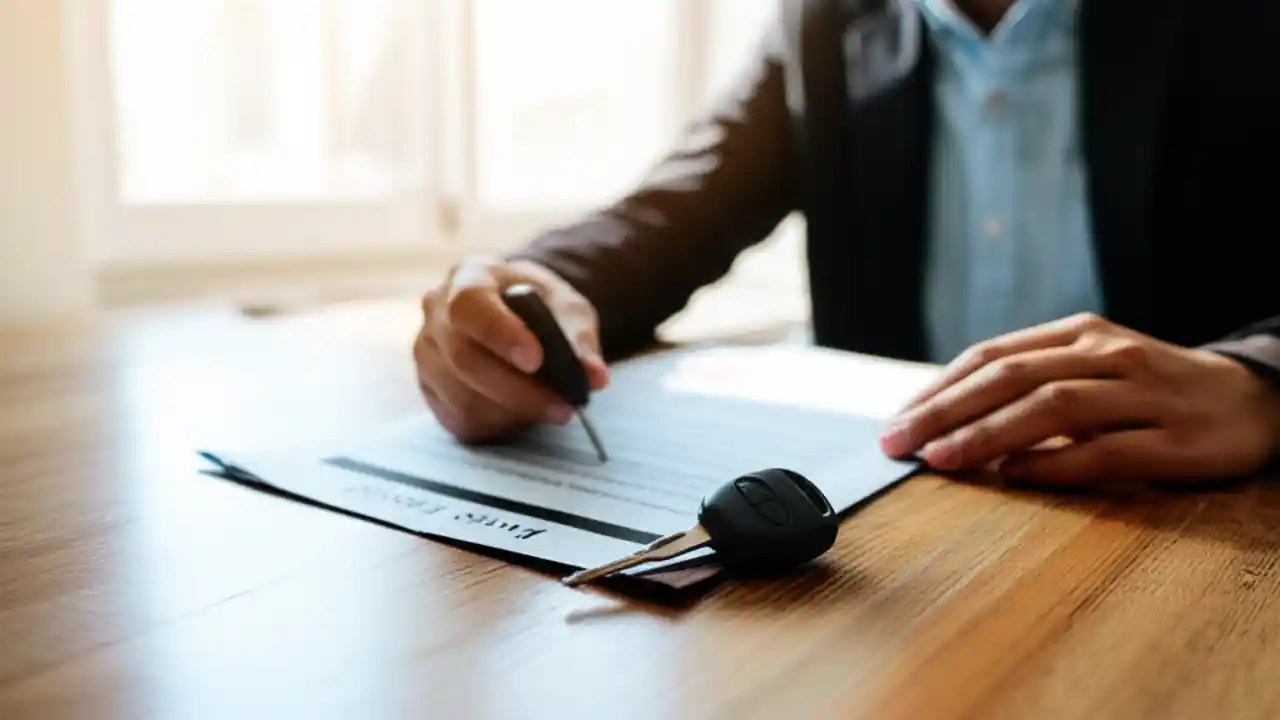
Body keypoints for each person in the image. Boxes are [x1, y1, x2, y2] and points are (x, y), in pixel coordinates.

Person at [415, 0, 1280, 488]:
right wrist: (528, 285)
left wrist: (1262, 384)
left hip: (1178, 536)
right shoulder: (829, 22)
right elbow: (670, 215)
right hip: (891, 544)